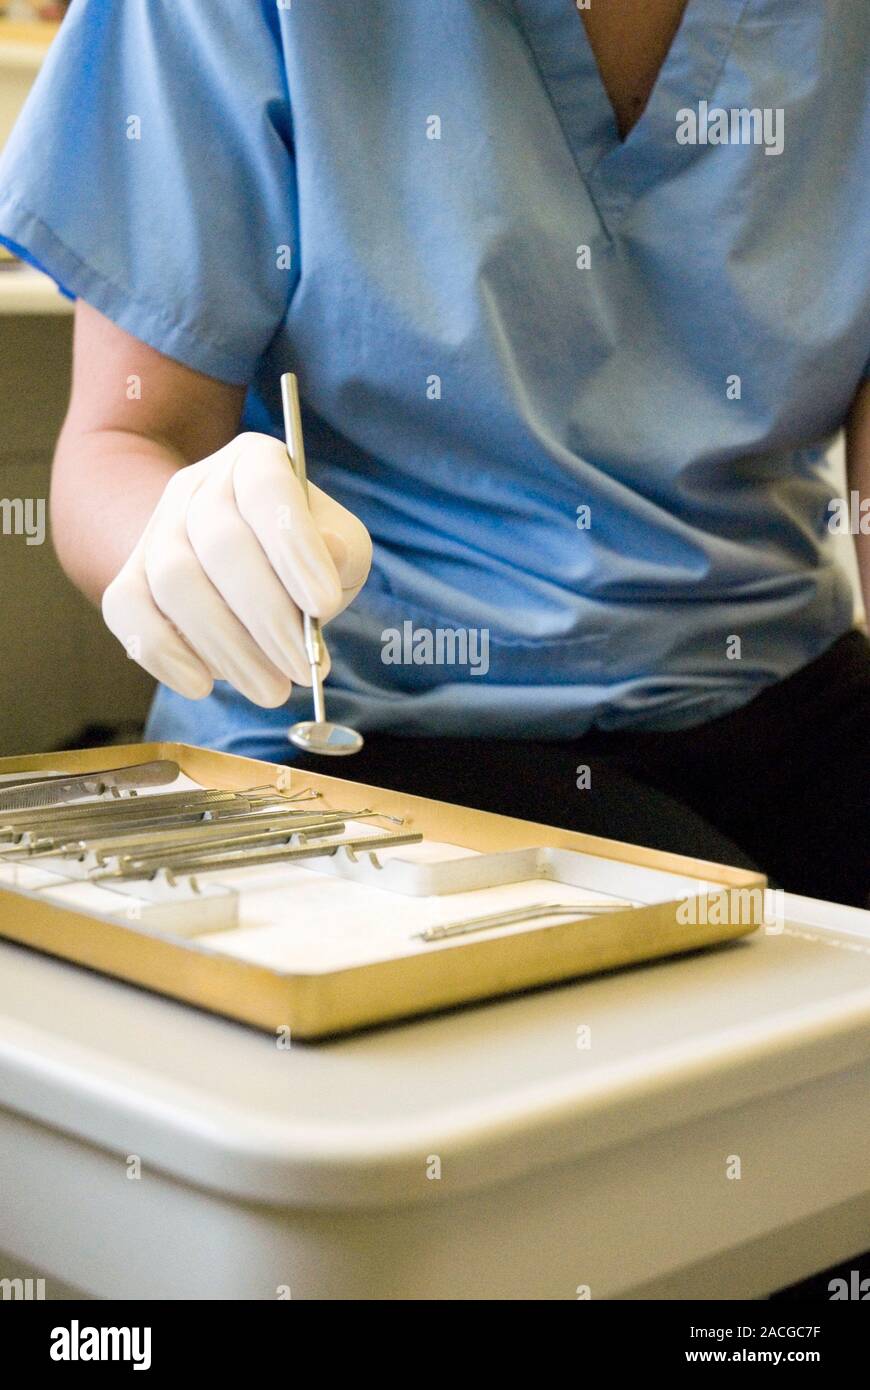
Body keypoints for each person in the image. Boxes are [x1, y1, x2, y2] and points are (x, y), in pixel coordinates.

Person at [0, 0, 867, 905]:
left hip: (779, 697)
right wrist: (187, 542)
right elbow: (127, 438)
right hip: (377, 723)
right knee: (718, 952)